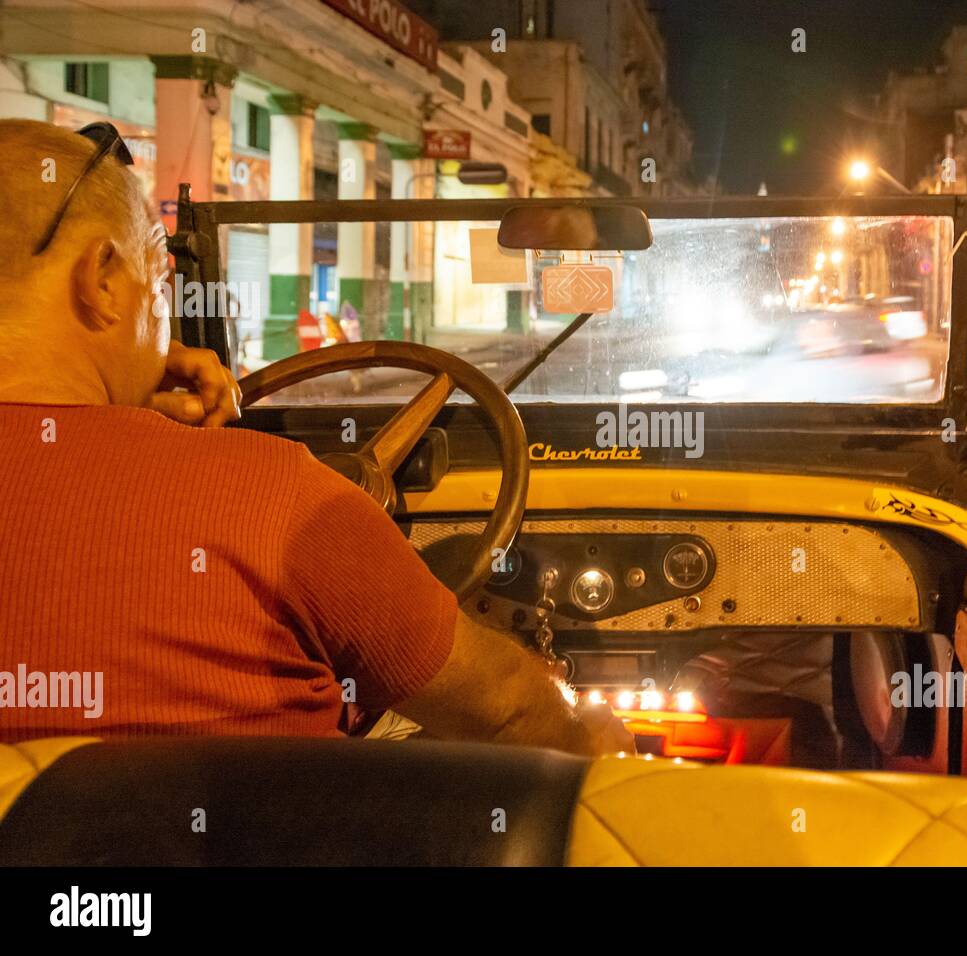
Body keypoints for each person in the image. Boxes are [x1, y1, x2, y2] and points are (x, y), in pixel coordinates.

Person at [0, 119, 631, 754]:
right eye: (159, 282)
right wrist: (589, 728)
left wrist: (122, 398)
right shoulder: (273, 500)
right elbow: (510, 715)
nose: (168, 323)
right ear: (102, 281)